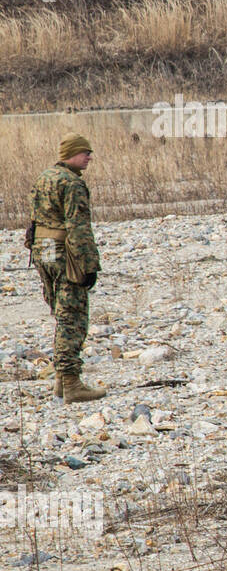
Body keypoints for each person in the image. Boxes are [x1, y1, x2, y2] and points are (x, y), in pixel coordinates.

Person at [27, 132, 106, 403]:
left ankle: (61, 380)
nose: (89, 157)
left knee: (60, 313)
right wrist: (89, 265)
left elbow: (34, 218)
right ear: (71, 154)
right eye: (85, 153)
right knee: (72, 316)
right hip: (63, 252)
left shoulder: (45, 177)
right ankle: (71, 382)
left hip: (43, 250)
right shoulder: (72, 184)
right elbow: (78, 226)